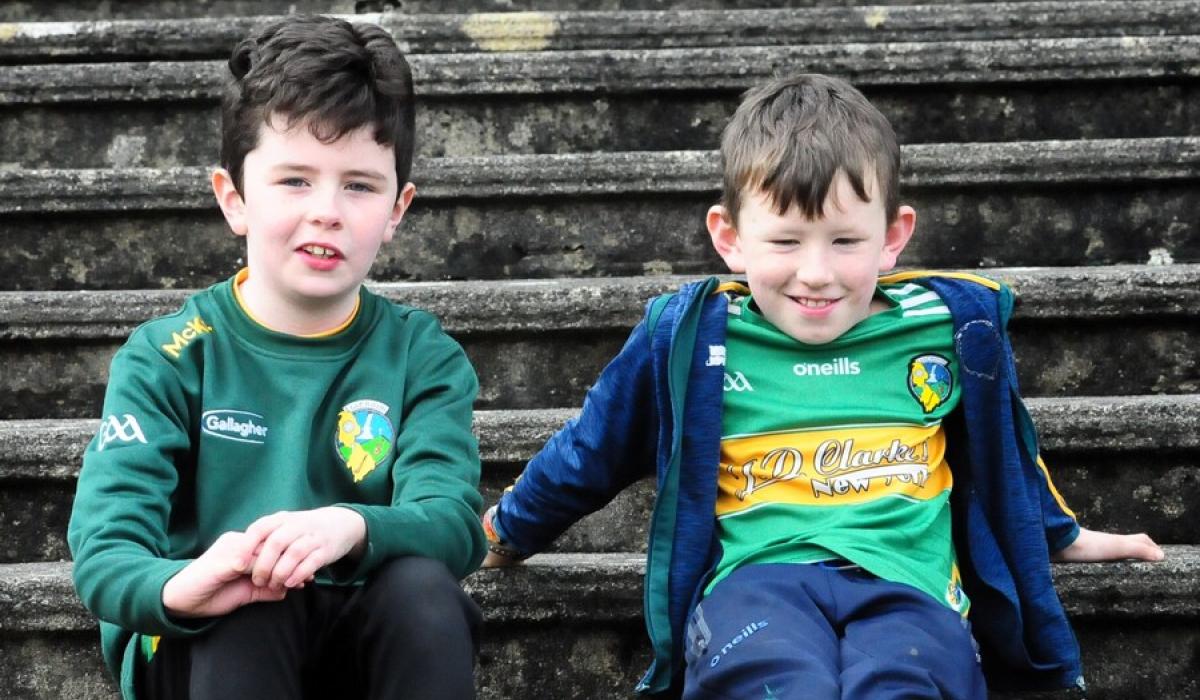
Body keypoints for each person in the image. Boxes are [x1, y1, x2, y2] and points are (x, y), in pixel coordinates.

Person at [480, 73, 1164, 699]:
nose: (816, 273)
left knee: (909, 682)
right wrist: (505, 530)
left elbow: (1004, 448)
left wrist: (1059, 533)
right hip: (755, 586)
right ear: (730, 237)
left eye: (844, 241)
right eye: (785, 242)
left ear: (893, 236)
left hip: (911, 591)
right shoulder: (693, 336)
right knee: (775, 683)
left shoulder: (947, 329)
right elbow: (591, 448)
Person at [68, 16, 485, 700]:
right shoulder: (168, 356)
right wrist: (183, 584)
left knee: (421, 589)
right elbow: (108, 549)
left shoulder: (421, 354)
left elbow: (451, 521)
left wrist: (350, 525)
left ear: (398, 208)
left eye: (359, 185)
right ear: (233, 198)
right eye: (294, 180)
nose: (327, 211)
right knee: (250, 603)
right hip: (210, 647)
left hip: (362, 638)